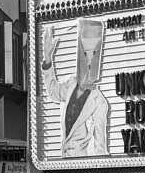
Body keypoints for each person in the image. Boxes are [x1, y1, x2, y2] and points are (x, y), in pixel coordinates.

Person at [41, 19, 110, 157]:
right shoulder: (70, 84)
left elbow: (100, 144)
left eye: (93, 54)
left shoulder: (99, 102)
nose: (88, 60)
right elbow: (53, 92)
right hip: (64, 159)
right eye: (84, 54)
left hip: (81, 161)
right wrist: (47, 58)